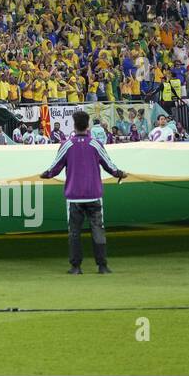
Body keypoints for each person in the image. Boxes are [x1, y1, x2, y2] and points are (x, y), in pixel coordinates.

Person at [40, 110, 128, 275]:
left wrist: (45, 174)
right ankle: (102, 266)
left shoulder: (67, 144)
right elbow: (110, 166)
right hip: (94, 194)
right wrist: (120, 173)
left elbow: (55, 167)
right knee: (98, 230)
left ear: (74, 125)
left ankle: (76, 267)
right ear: (88, 126)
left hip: (74, 197)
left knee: (74, 233)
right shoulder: (95, 144)